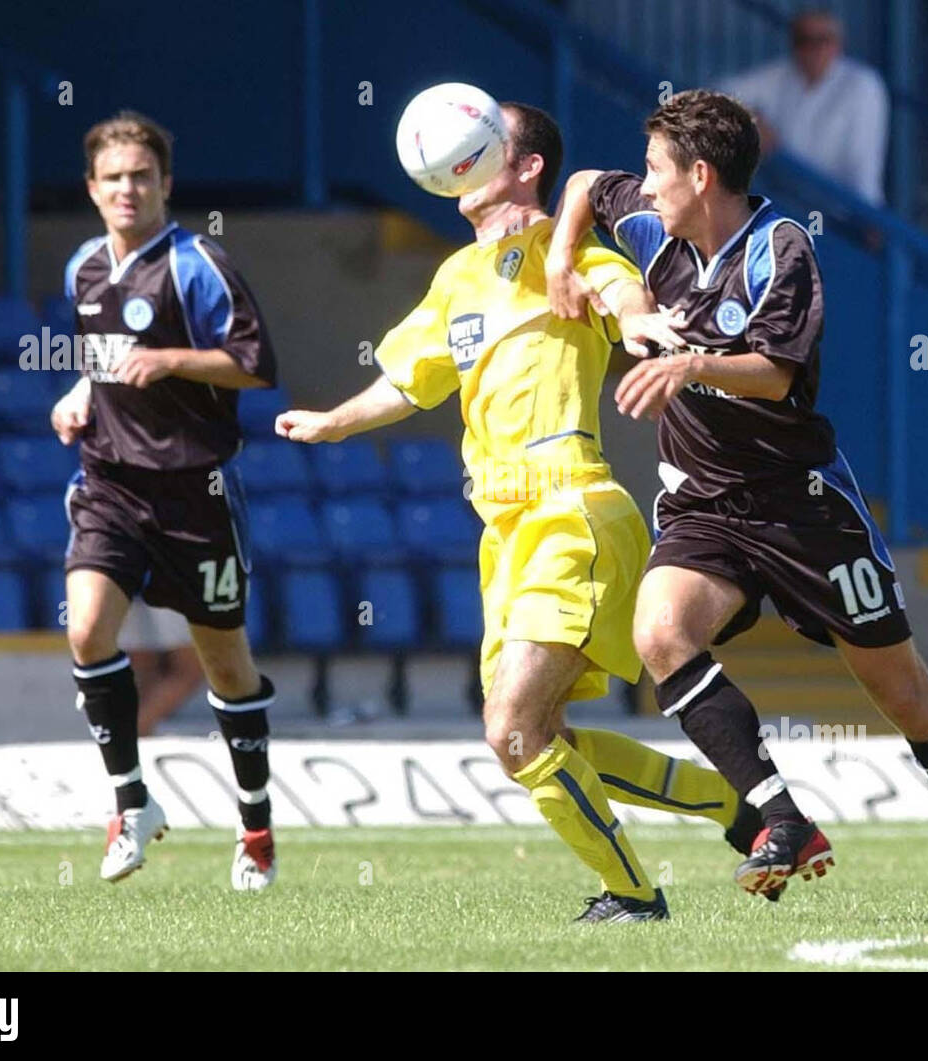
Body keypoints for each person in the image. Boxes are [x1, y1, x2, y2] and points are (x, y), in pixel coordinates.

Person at [546, 89, 928, 919]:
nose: (644, 188)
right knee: (660, 632)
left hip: (803, 510)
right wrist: (560, 265)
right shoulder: (657, 237)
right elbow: (581, 182)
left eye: (657, 171)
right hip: (704, 508)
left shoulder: (780, 248)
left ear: (701, 173)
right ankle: (785, 818)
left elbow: (778, 376)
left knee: (909, 701)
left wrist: (688, 363)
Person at [277, 101, 757, 922]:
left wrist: (639, 316)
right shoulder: (456, 279)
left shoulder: (561, 256)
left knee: (511, 729)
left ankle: (635, 896)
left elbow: (617, 286)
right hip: (502, 532)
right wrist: (333, 420)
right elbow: (410, 378)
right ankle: (740, 810)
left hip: (573, 510)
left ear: (526, 165)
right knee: (538, 739)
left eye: (490, 141)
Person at [51, 111, 279, 890]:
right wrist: (81, 390)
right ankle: (132, 803)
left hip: (196, 494)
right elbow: (106, 357)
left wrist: (172, 359)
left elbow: (255, 364)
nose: (127, 189)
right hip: (110, 485)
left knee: (226, 664)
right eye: (113, 178)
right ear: (92, 188)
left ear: (165, 185)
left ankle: (254, 827)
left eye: (141, 177)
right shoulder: (82, 266)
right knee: (86, 630)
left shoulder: (196, 264)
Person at [717, 8, 889, 206]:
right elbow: (721, 90)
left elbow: (863, 159)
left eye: (822, 40)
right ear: (793, 45)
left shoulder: (861, 85)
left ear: (837, 44)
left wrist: (870, 212)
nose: (813, 49)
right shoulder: (780, 75)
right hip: (789, 201)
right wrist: (751, 120)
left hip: (841, 211)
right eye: (804, 41)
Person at [117, 600, 205, 737]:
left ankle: (126, 741)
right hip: (172, 585)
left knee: (144, 667)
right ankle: (128, 738)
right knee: (189, 669)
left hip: (126, 586)